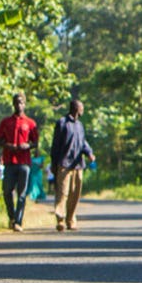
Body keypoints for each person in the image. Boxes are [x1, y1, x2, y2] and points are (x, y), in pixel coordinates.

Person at [50, 99, 95, 232]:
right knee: (63, 192)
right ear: (76, 109)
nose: (83, 110)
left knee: (75, 193)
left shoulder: (80, 125)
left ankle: (71, 219)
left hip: (77, 164)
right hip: (64, 163)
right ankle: (60, 219)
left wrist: (89, 153)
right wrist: (54, 164)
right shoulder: (62, 123)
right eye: (81, 108)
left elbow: (83, 143)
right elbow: (55, 145)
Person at [0, 93, 38, 231]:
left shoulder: (30, 123)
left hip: (24, 162)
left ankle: (18, 222)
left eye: (21, 102)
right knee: (7, 191)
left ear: (24, 104)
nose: (19, 105)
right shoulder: (6, 122)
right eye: (16, 102)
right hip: (9, 161)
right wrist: (8, 145)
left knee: (22, 193)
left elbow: (35, 142)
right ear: (13, 104)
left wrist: (28, 146)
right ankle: (11, 216)